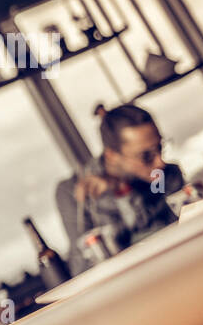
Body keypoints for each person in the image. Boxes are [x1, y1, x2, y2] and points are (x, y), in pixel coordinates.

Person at [54, 102, 183, 273]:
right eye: (146, 155)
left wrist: (123, 189)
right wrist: (117, 191)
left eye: (159, 147)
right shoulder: (71, 192)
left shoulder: (164, 176)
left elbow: (183, 230)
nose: (160, 161)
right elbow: (81, 269)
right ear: (112, 157)